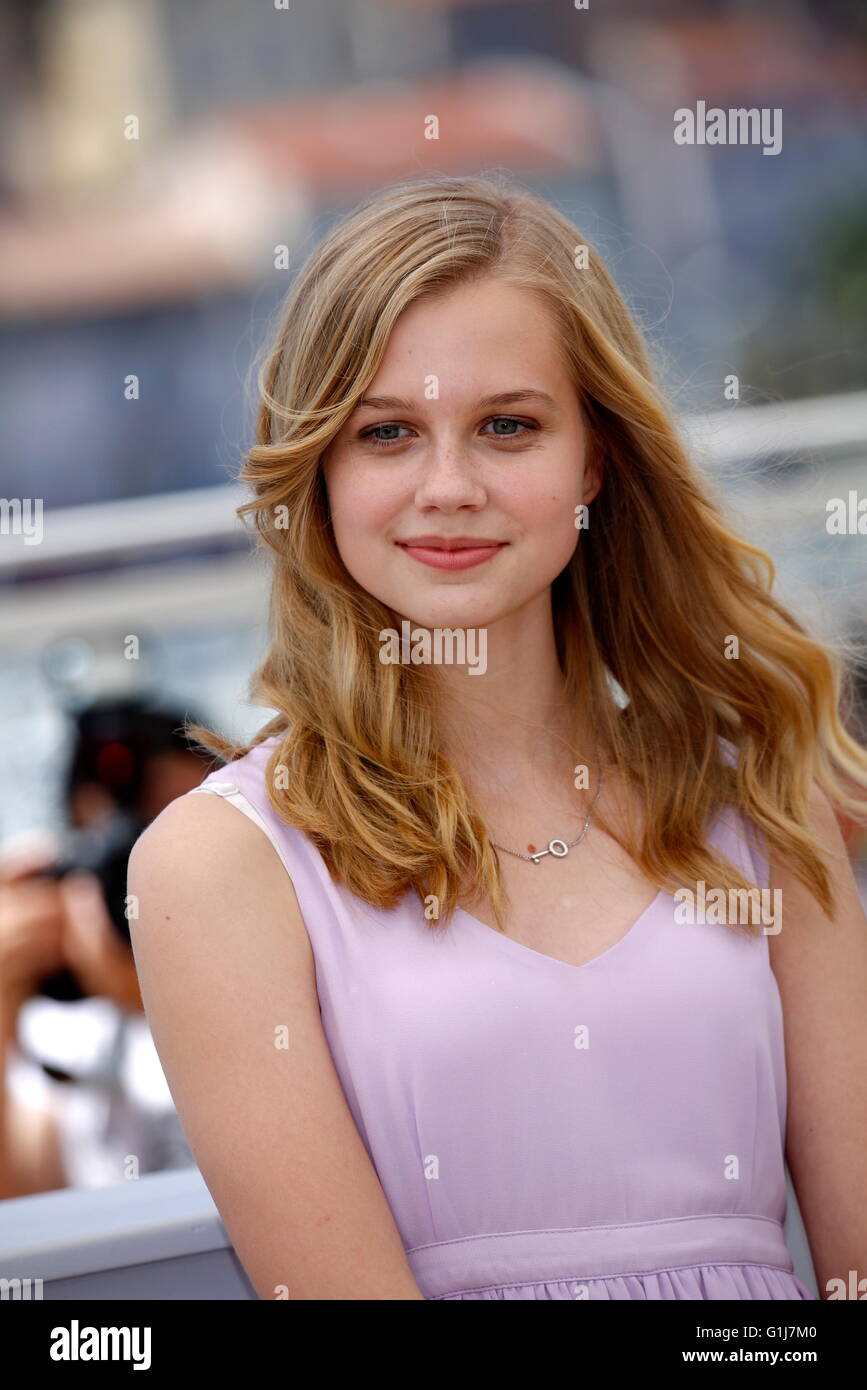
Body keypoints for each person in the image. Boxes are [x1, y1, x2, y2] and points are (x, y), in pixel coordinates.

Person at [128, 176, 867, 1301]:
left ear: (597, 459)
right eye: (387, 434)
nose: (449, 487)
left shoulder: (764, 796)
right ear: (319, 471)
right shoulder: (219, 867)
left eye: (507, 425)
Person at [0, 699, 205, 1198]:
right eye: (123, 857)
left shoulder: (295, 958)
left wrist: (154, 1004)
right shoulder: (59, 1021)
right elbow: (26, 1204)